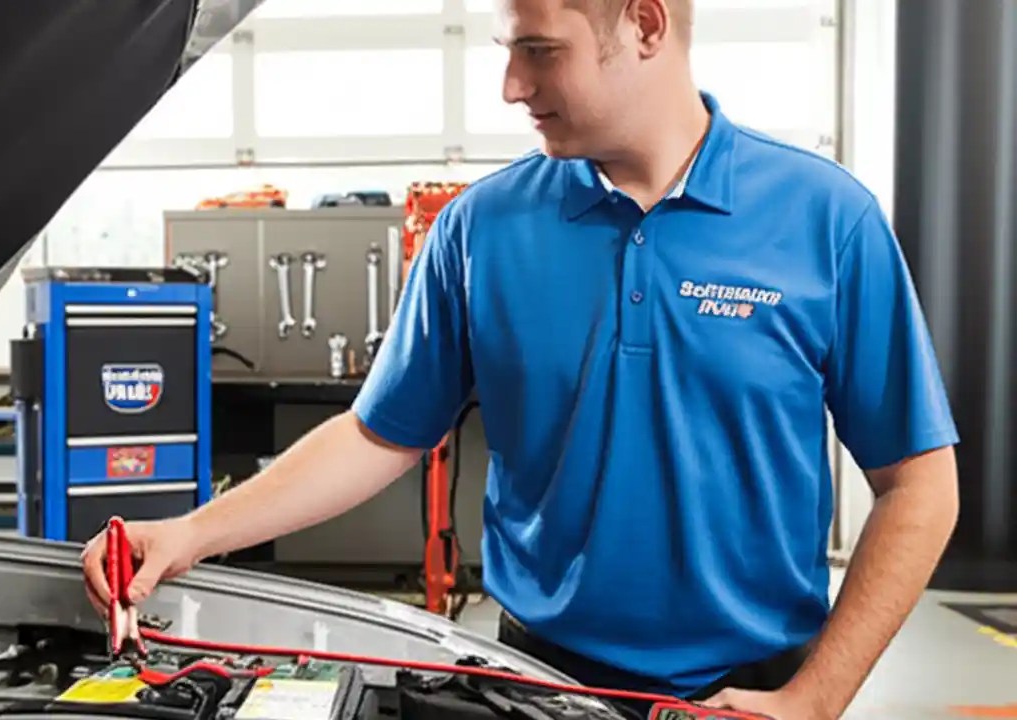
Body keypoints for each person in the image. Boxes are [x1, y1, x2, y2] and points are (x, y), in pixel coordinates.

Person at [83, 1, 961, 717]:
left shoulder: (828, 221)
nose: (511, 87)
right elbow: (377, 435)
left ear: (646, 26)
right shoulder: (480, 230)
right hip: (530, 683)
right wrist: (190, 534)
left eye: (540, 52)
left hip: (755, 691)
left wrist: (816, 699)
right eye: (509, 51)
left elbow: (920, 484)